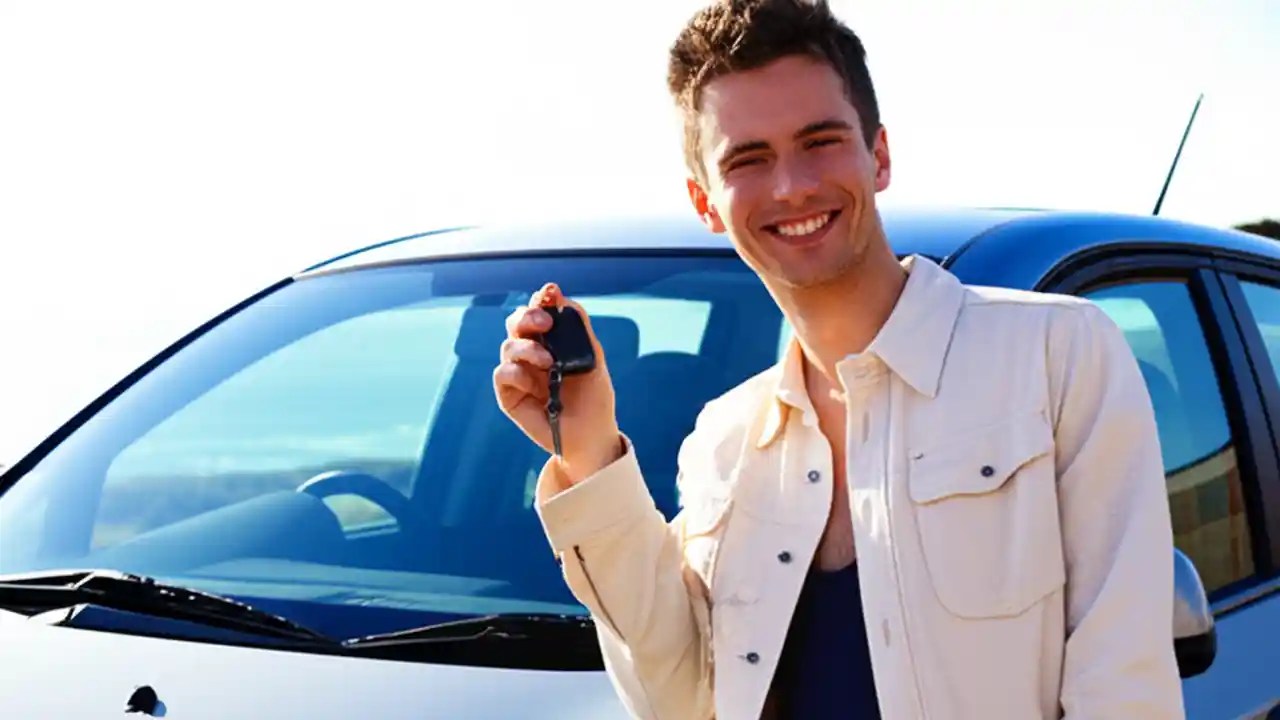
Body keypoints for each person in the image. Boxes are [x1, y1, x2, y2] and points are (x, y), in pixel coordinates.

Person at [493, 0, 1184, 717]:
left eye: (819, 141)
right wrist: (589, 450)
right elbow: (681, 699)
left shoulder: (1060, 357)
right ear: (704, 201)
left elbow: (1124, 690)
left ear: (878, 155)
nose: (792, 186)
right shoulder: (722, 442)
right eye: (749, 159)